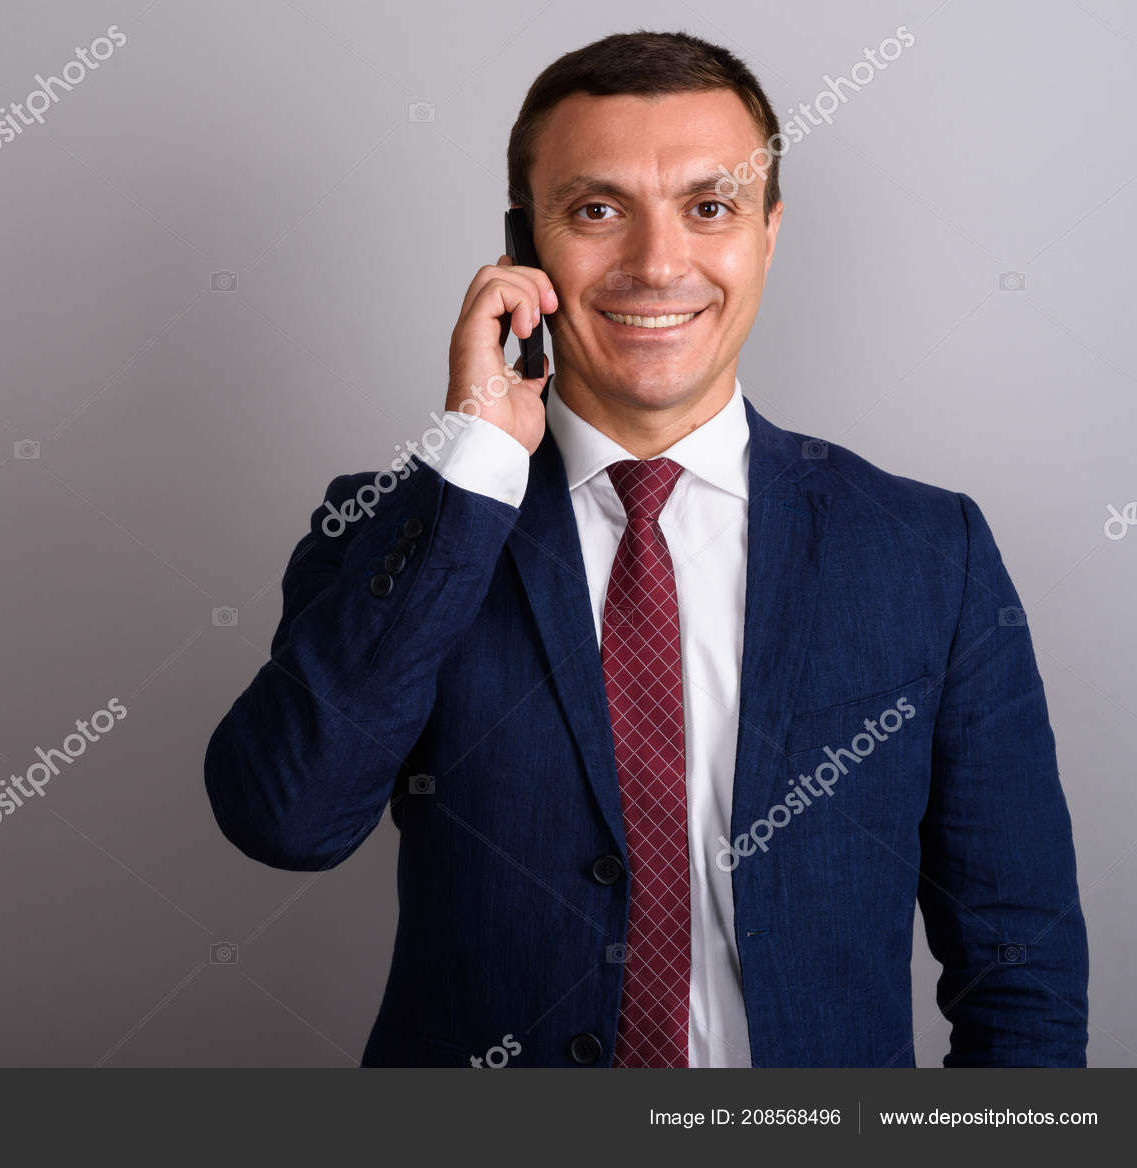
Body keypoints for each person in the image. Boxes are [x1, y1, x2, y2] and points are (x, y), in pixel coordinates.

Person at [204, 30, 1087, 1068]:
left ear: (766, 233)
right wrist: (476, 460)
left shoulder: (930, 553)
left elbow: (1018, 969)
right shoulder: (400, 527)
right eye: (595, 210)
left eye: (708, 208)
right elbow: (285, 819)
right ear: (522, 249)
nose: (656, 263)